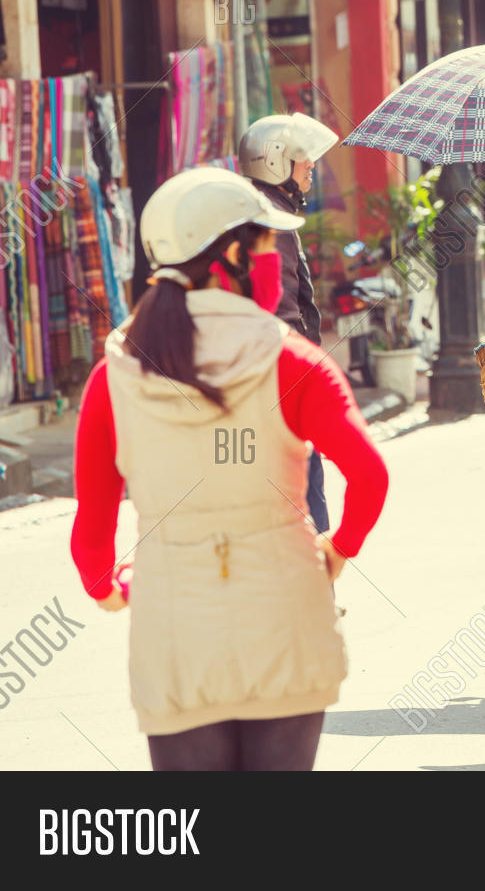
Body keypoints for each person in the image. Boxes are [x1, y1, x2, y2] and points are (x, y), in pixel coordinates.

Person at [70, 168, 388, 770]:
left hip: (174, 635)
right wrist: (337, 550)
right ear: (235, 257)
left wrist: (108, 589)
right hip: (287, 625)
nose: (276, 263)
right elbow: (370, 476)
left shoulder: (114, 374)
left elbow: (93, 523)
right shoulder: (294, 360)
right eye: (268, 246)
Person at [238, 113, 339, 534]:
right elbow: (279, 308)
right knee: (305, 493)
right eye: (302, 158)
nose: (311, 164)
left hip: (268, 377)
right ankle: (316, 567)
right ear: (275, 161)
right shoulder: (271, 221)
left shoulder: (268, 211)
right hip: (283, 379)